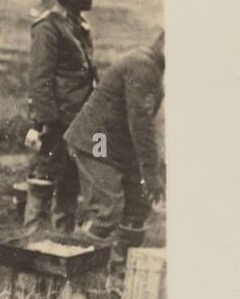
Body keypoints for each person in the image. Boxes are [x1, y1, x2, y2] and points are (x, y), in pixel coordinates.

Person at [65, 31, 165, 269]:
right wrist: (151, 173)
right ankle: (71, 274)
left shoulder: (155, 68)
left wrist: (154, 169)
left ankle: (119, 277)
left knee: (139, 205)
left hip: (116, 144)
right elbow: (140, 122)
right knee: (106, 211)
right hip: (96, 142)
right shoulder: (142, 66)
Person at [24, 0, 98, 235]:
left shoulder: (76, 24)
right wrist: (45, 123)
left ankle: (62, 244)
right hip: (56, 122)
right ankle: (32, 246)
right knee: (42, 183)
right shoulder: (48, 28)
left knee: (69, 185)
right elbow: (39, 79)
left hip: (77, 120)